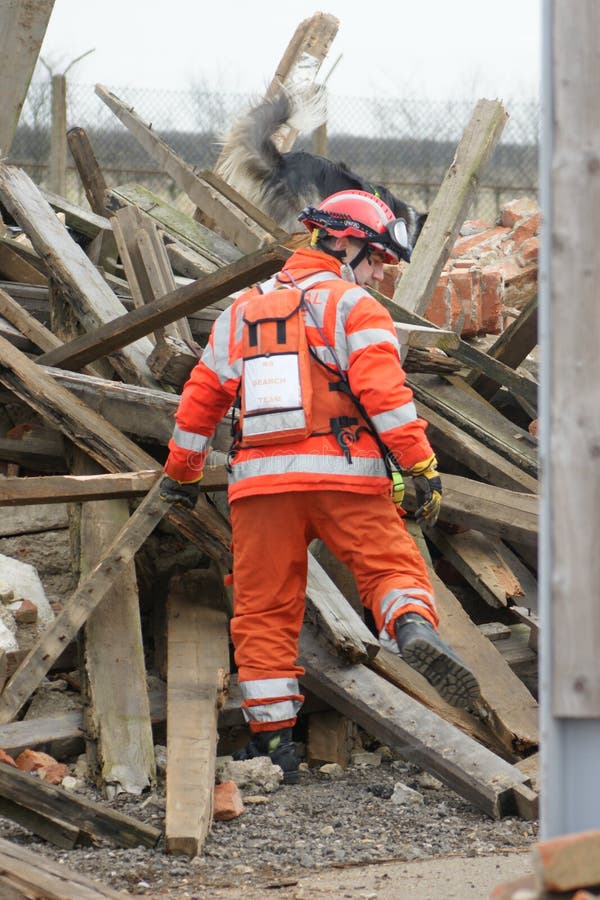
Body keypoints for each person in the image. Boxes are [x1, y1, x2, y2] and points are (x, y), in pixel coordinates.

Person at [160, 189, 480, 784]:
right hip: (345, 474)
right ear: (345, 242)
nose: (382, 272)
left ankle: (273, 746)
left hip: (259, 487)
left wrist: (181, 473)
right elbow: (386, 396)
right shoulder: (354, 307)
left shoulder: (241, 312)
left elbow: (201, 399)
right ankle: (411, 626)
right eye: (379, 257)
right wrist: (421, 466)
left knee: (263, 609)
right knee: (390, 570)